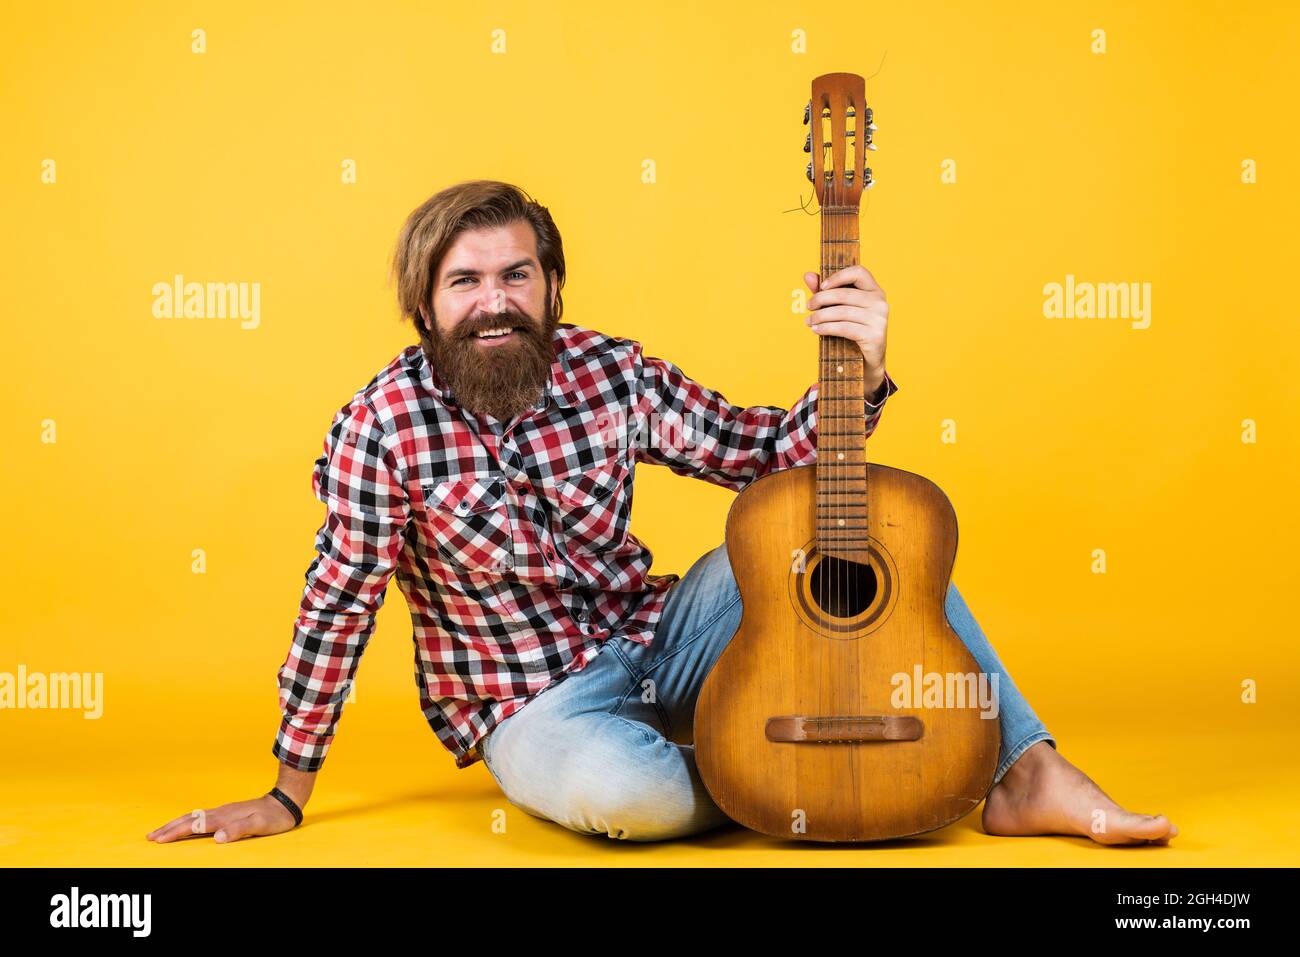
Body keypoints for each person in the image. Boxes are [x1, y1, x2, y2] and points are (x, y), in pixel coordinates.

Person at [147, 180, 1178, 847]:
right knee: (632, 799)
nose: (493, 300)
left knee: (868, 531)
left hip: (663, 637)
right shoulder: (381, 428)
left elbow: (769, 459)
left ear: (552, 289)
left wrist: (859, 370)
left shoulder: (609, 371)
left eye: (517, 274)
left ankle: (1023, 772)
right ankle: (782, 764)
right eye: (464, 282)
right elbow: (338, 607)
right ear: (424, 307)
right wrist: (286, 791)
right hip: (531, 704)